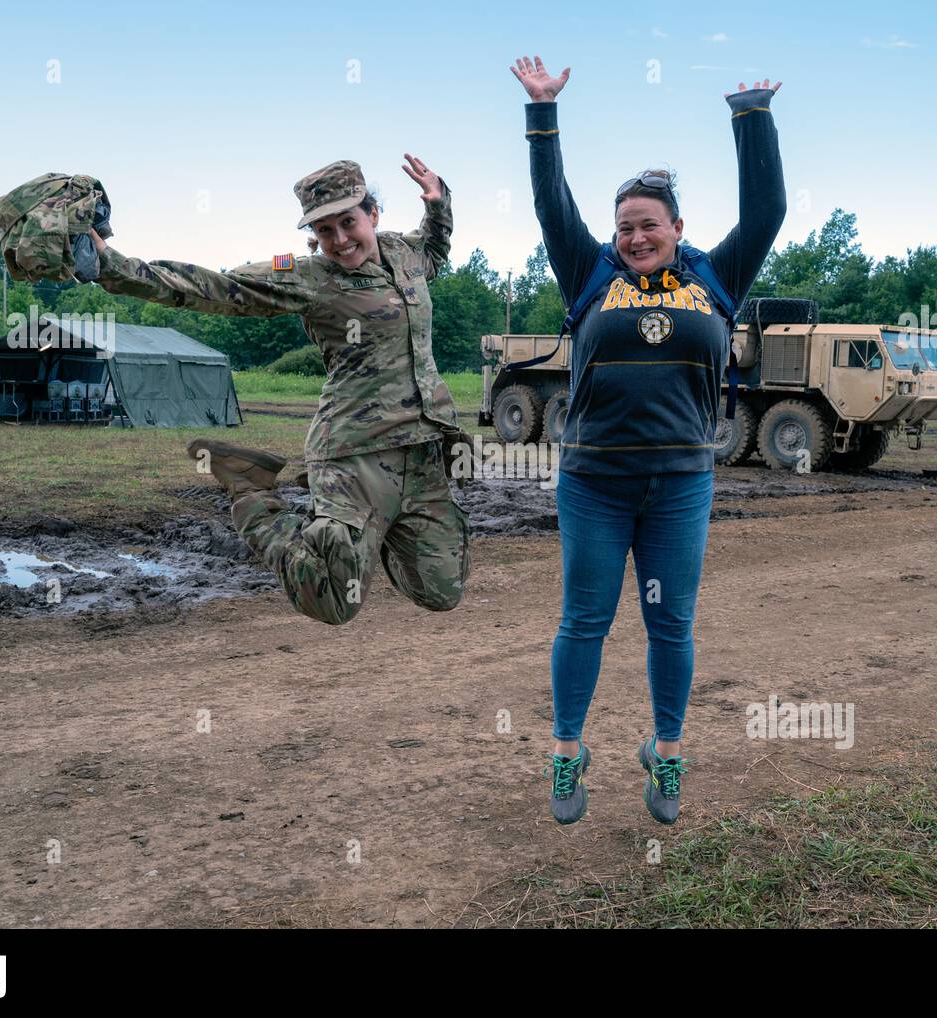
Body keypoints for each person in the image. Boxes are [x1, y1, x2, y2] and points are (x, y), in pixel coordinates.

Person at [510, 55, 787, 824]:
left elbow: (766, 214)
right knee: (584, 620)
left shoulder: (716, 276)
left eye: (649, 225)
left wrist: (751, 116)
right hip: (594, 481)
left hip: (678, 485)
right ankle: (568, 753)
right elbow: (549, 204)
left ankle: (666, 755)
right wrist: (542, 116)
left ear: (676, 229)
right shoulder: (588, 274)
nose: (636, 237)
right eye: (625, 226)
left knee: (671, 624)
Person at [88, 156, 471, 625]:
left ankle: (371, 531)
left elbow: (435, 249)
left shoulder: (404, 254)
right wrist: (108, 265)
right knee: (333, 600)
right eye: (325, 231)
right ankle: (253, 492)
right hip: (354, 456)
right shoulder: (308, 277)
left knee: (441, 588)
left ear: (373, 214)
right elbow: (214, 286)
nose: (340, 240)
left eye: (348, 222)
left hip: (424, 451)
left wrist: (439, 203)